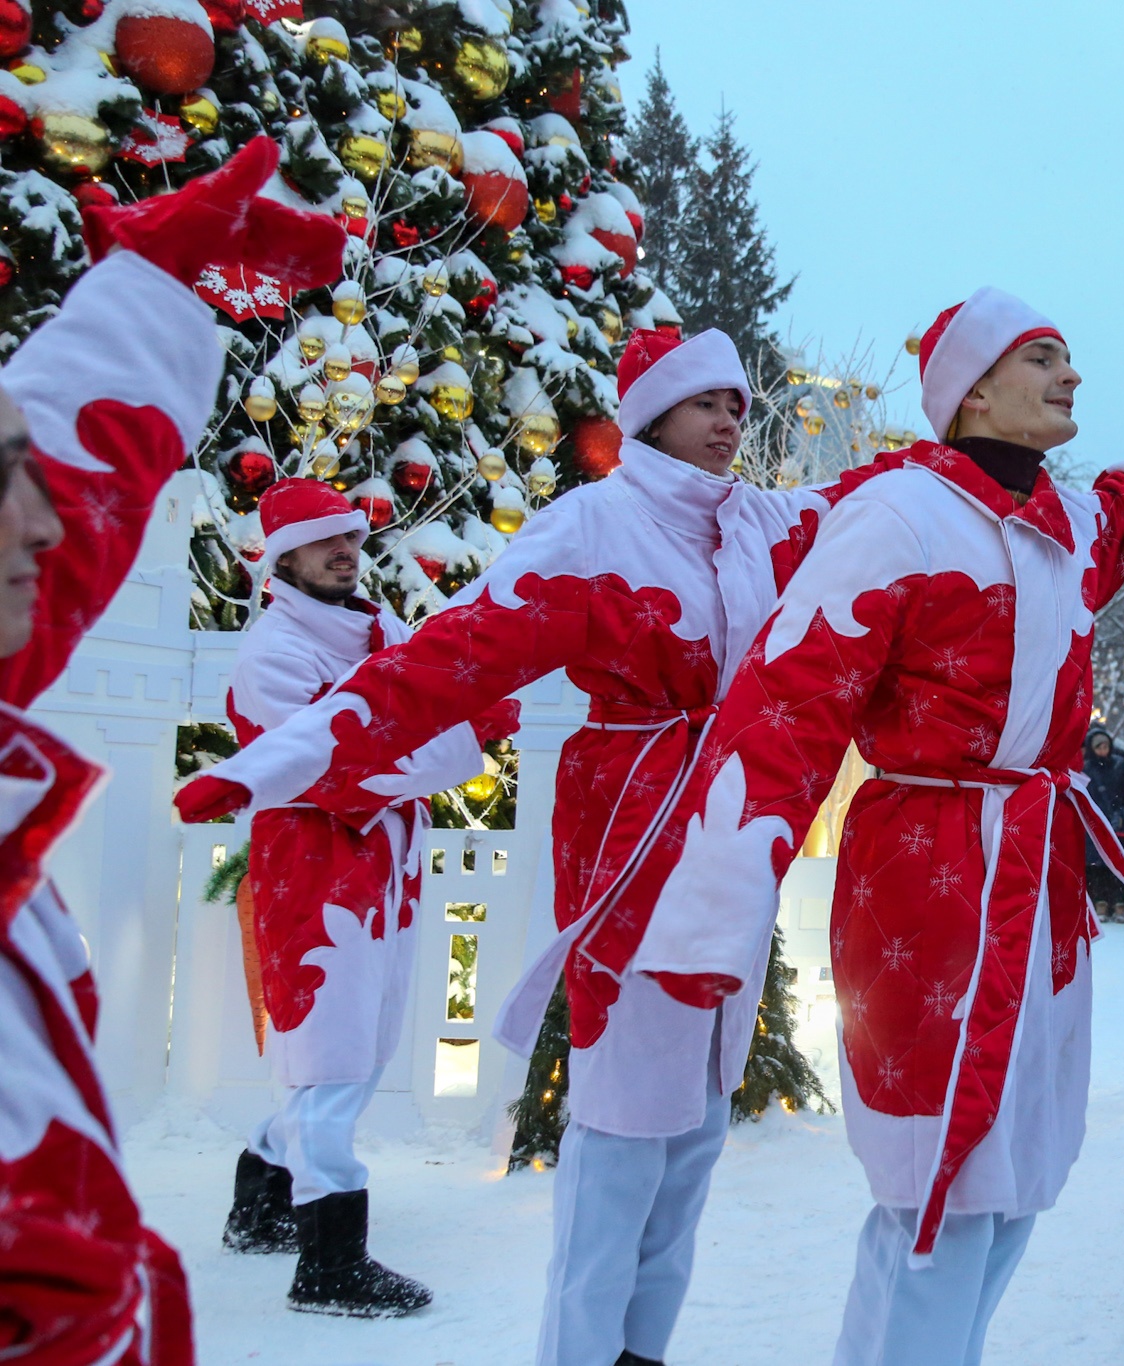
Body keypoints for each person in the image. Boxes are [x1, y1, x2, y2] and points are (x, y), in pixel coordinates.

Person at [176, 326, 883, 1363]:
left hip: (733, 839)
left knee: (695, 1126)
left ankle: (642, 1347)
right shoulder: (592, 525)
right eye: (705, 404)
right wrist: (269, 763)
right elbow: (445, 657)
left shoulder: (769, 524)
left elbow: (889, 496)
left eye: (738, 402)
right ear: (649, 416)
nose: (731, 419)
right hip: (630, 837)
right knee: (623, 1123)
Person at [626, 275, 1124, 1366]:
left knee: (1013, 1178)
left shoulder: (1066, 516)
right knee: (940, 1189)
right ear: (969, 393)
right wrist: (716, 906)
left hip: (1040, 879)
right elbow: (786, 705)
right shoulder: (897, 515)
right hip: (925, 882)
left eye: (1067, 355)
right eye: (1041, 357)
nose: (1072, 374)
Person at [0, 137, 343, 1363]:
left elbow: (67, 513)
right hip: (319, 877)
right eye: (6, 477)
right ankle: (319, 1241)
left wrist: (146, 287)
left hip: (374, 882)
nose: (47, 521)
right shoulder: (278, 648)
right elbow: (335, 739)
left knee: (329, 1080)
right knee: (326, 1084)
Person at [208, 480, 514, 1317]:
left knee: (360, 1051)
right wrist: (457, 743)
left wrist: (462, 715)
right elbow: (337, 761)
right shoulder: (273, 652)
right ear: (284, 559)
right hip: (313, 862)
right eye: (323, 541)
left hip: (385, 862)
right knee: (329, 1061)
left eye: (350, 536)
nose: (345, 550)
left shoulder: (379, 628)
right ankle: (329, 1266)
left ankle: (260, 1200)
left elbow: (424, 708)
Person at [1084, 726, 1124, 922]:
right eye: (1099, 747)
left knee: (1117, 865)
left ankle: (1120, 903)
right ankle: (1100, 902)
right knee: (1096, 867)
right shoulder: (1086, 768)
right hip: (1094, 824)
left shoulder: (1121, 765)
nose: (1103, 750)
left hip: (1118, 824)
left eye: (1106, 746)